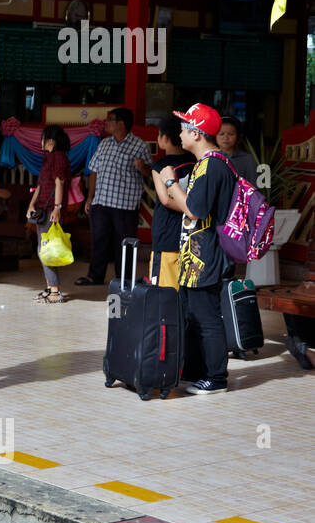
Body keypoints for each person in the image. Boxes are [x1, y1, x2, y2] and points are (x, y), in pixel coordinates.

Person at [158, 103, 235, 394]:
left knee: (207, 317)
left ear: (197, 133)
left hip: (207, 256)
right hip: (196, 256)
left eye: (184, 127)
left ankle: (216, 378)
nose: (179, 132)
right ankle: (194, 372)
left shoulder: (213, 164)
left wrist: (169, 181)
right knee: (190, 314)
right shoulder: (209, 163)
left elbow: (195, 210)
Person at [75, 107, 148, 287]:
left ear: (121, 123)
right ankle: (95, 276)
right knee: (99, 241)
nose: (106, 123)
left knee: (124, 245)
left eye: (110, 120)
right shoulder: (104, 144)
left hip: (125, 205)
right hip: (101, 202)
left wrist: (142, 168)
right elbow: (94, 171)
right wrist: (90, 197)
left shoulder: (140, 146)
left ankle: (124, 280)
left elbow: (150, 173)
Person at [25, 124, 72, 303]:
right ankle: (49, 286)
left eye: (43, 137)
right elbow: (40, 186)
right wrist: (31, 205)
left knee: (47, 249)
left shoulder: (58, 157)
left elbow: (59, 182)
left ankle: (54, 290)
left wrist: (58, 207)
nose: (41, 141)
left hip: (51, 209)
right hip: (44, 209)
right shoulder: (49, 158)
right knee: (43, 248)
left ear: (51, 140)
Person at [149, 115, 194, 287]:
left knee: (164, 287)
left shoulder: (160, 166)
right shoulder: (195, 161)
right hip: (190, 231)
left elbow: (165, 200)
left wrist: (189, 209)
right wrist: (193, 209)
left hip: (166, 231)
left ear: (165, 138)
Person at [216, 116, 258, 186]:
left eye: (231, 134)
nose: (226, 138)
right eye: (221, 134)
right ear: (215, 136)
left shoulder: (247, 160)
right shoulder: (209, 158)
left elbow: (253, 187)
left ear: (238, 136)